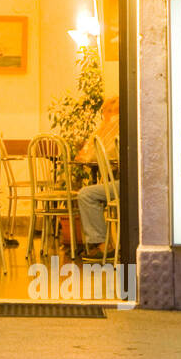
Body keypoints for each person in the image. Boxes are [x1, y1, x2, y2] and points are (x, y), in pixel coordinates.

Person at [75, 97, 120, 260]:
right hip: (124, 182)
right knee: (93, 192)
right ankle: (104, 242)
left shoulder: (115, 128)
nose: (104, 115)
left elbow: (91, 155)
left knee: (86, 194)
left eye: (107, 111)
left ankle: (104, 245)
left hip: (126, 184)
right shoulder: (114, 128)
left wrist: (86, 154)